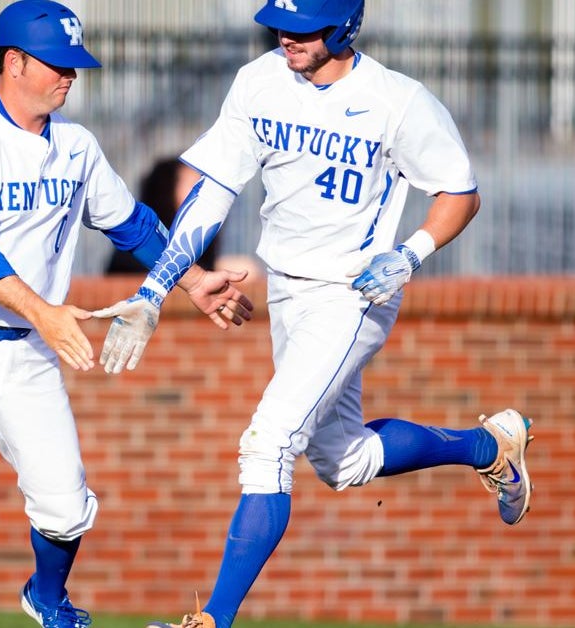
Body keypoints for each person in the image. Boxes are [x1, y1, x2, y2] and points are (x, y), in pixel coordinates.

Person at [94, 2, 535, 626]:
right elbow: (213, 189)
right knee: (344, 461)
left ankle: (213, 619)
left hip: (353, 293)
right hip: (287, 290)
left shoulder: (397, 100)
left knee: (268, 442)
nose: (287, 36)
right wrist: (155, 288)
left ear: (345, 25)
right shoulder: (260, 80)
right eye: (282, 22)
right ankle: (490, 445)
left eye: (305, 27)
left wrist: (409, 255)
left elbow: (460, 194)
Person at [0, 3, 253, 628]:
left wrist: (193, 280)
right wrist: (46, 314)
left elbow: (131, 223)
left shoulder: (76, 146)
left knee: (65, 506)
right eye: (57, 64)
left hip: (29, 342)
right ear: (14, 63)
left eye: (74, 65)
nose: (70, 76)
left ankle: (47, 597)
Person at [105, 158, 218, 274]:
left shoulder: (202, 237)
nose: (205, 194)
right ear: (167, 189)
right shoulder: (140, 243)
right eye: (195, 186)